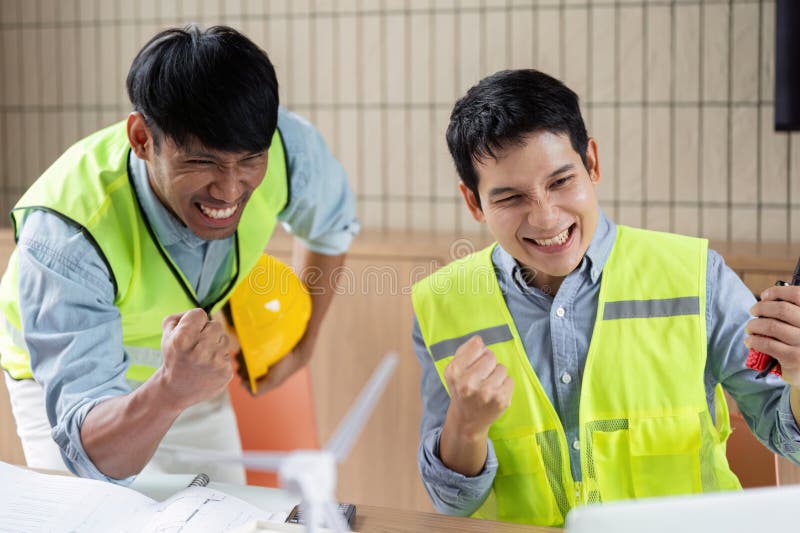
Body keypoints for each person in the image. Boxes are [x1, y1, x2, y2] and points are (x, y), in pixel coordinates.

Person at [410, 69, 800, 526]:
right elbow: (452, 504)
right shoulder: (443, 304)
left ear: (591, 163)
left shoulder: (698, 278)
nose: (546, 217)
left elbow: (787, 436)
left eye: (560, 182)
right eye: (511, 197)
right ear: (474, 203)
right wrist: (466, 425)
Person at [0, 25, 359, 485]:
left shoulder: (288, 147)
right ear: (142, 139)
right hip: (69, 389)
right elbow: (95, 459)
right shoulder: (66, 235)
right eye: (201, 161)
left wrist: (302, 345)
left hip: (189, 372)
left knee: (221, 516)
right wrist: (170, 389)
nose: (230, 190)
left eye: (250, 160)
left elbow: (331, 228)